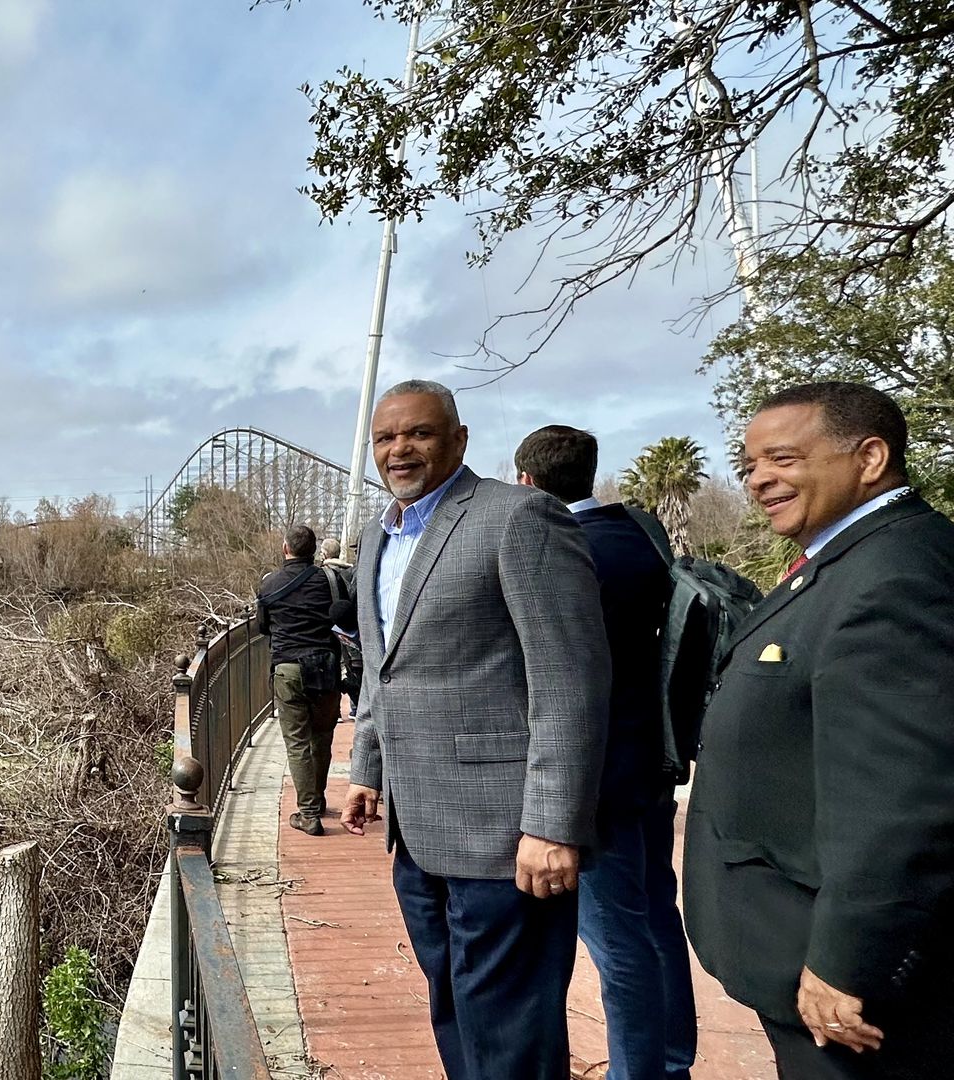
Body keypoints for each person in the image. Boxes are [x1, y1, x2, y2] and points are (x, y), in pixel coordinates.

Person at [340, 379, 611, 1080]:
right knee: (456, 1014)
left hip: (506, 835)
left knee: (510, 1030)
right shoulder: (379, 534)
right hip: (416, 829)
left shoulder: (520, 518)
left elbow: (570, 679)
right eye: (385, 438)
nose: (400, 449)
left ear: (459, 440)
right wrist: (366, 767)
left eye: (420, 433)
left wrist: (554, 825)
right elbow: (382, 667)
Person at [683, 381, 954, 1079]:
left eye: (782, 459)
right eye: (750, 465)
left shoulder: (895, 576)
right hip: (800, 957)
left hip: (847, 992)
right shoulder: (842, 564)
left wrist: (847, 963)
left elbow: (901, 801)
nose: (759, 480)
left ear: (869, 457)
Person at [516, 424, 697, 1080]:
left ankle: (642, 1070)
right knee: (653, 919)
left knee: (617, 942)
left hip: (595, 776)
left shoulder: (567, 553)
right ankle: (671, 1058)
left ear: (526, 483)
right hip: (651, 757)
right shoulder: (640, 536)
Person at [256, 523, 345, 836]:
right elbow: (344, 618)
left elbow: (263, 627)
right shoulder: (331, 580)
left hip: (289, 668)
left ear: (285, 549)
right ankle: (317, 800)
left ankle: (308, 813)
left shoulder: (269, 585)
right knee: (322, 736)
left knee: (297, 743)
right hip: (326, 666)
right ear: (314, 550)